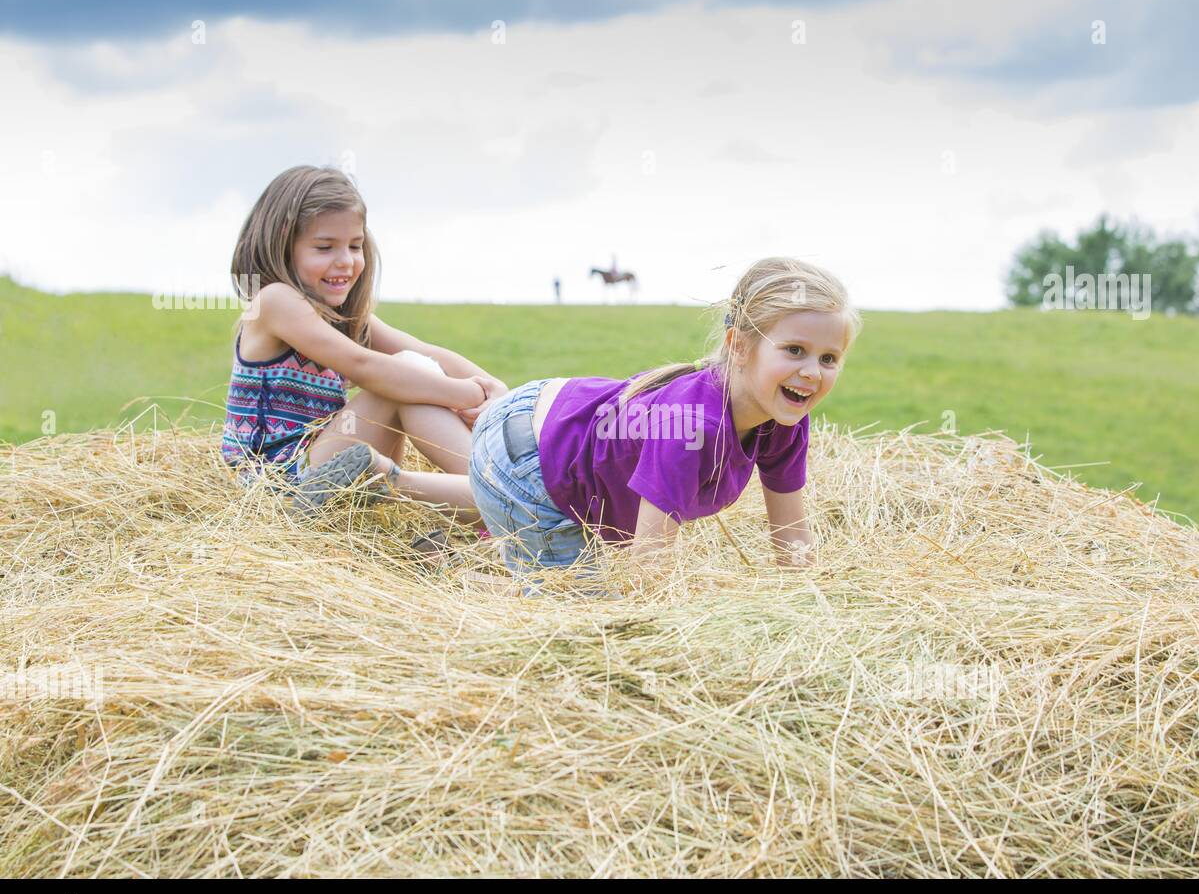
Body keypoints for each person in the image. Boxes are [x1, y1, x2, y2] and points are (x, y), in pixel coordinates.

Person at [468, 256, 859, 591]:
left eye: (828, 358)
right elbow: (649, 570)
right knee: (584, 613)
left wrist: (812, 604)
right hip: (525, 457)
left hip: (560, 418)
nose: (812, 373)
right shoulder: (693, 428)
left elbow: (791, 539)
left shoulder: (784, 417)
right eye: (795, 350)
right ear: (739, 345)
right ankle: (457, 576)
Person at [220, 165, 507, 518]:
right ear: (284, 240)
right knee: (401, 379)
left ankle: (499, 491)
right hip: (282, 485)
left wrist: (499, 395)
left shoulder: (340, 316)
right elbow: (364, 367)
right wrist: (467, 396)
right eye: (324, 247)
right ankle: (505, 490)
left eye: (355, 246)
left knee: (412, 370)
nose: (345, 262)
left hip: (336, 466)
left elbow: (424, 351)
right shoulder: (274, 301)